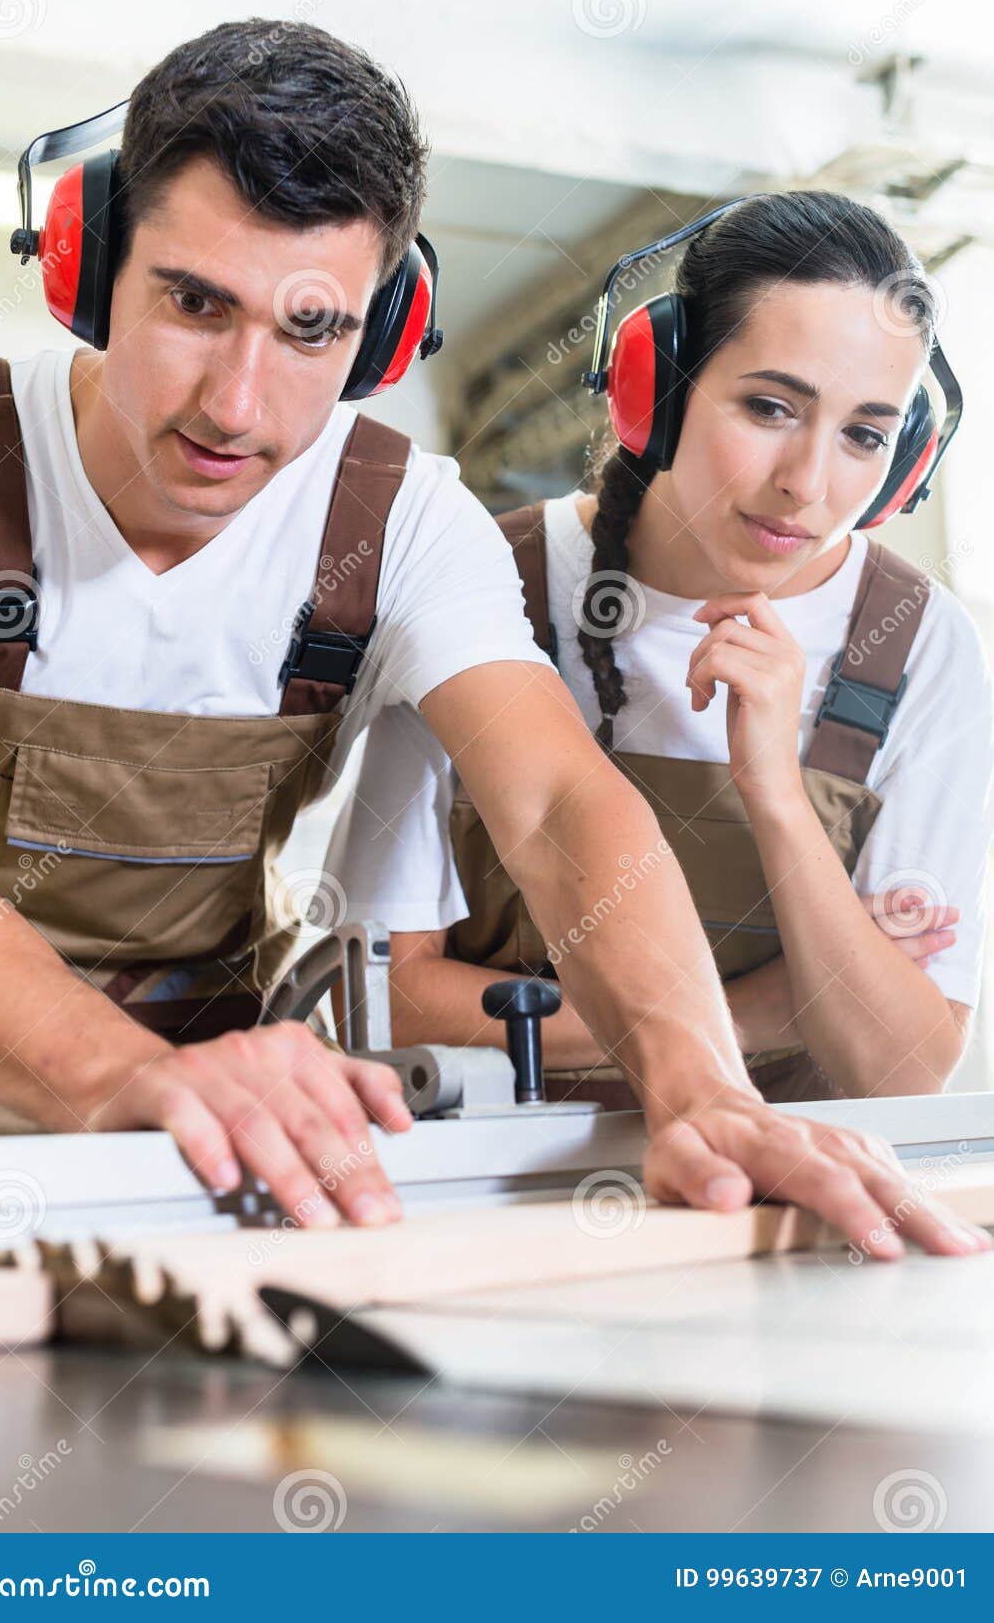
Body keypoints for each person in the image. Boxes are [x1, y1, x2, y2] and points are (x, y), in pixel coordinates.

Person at [326, 190, 994, 1253]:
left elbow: (901, 1068)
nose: (807, 484)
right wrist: (771, 1013)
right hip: (494, 1205)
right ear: (658, 387)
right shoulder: (482, 580)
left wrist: (775, 790)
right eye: (769, 407)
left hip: (783, 1215)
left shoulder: (918, 645)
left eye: (865, 433)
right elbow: (391, 1001)